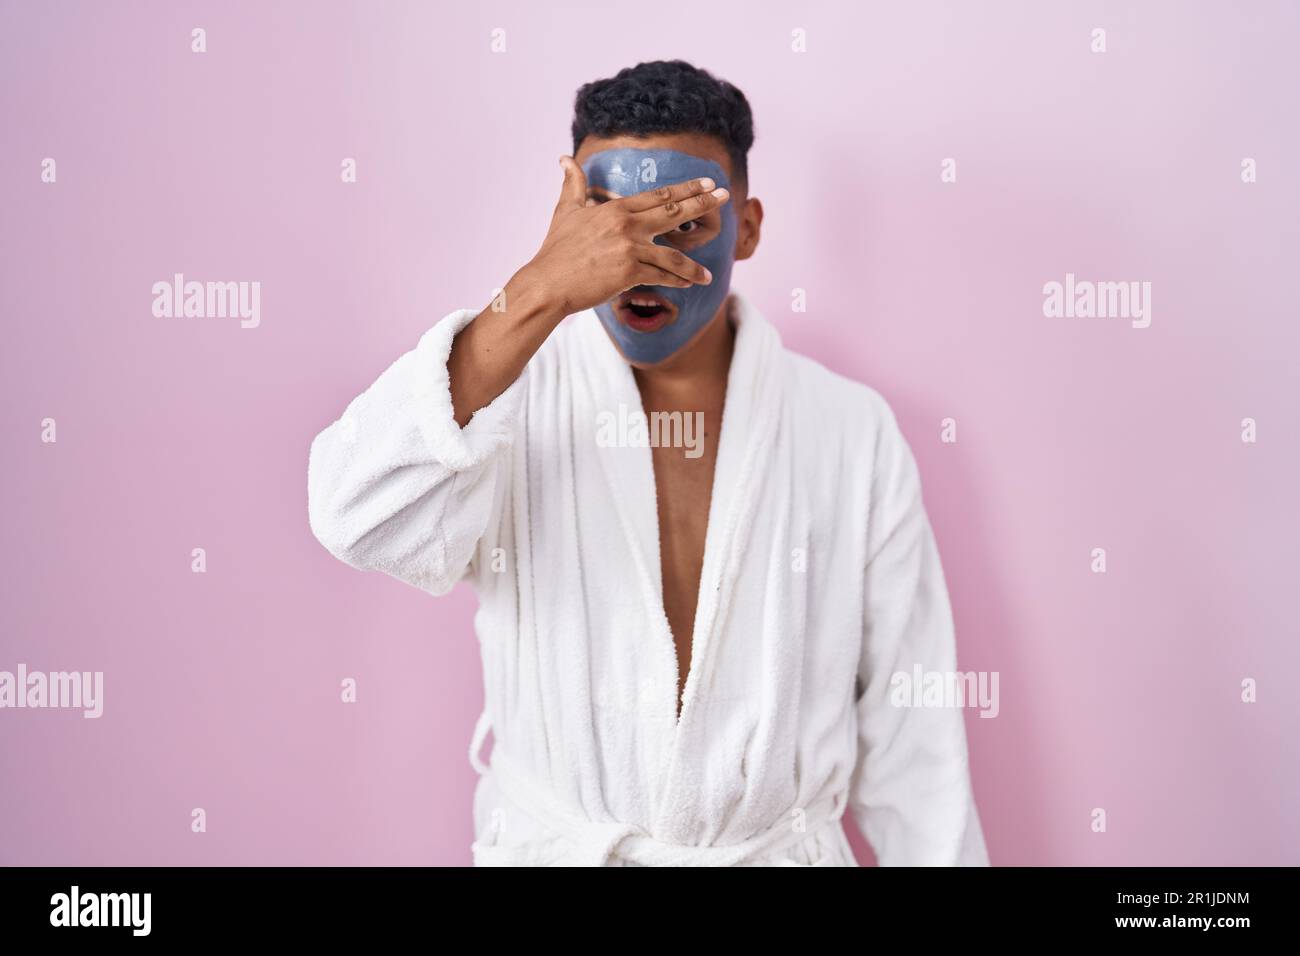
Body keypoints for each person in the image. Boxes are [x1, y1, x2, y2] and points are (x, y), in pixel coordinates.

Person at [307, 59, 989, 866]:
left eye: (685, 221)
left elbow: (916, 749)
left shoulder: (849, 431)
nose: (645, 259)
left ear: (749, 227)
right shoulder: (505, 395)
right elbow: (354, 514)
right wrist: (536, 292)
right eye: (615, 223)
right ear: (571, 224)